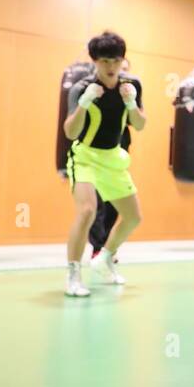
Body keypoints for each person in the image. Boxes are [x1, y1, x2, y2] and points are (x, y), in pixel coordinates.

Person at [62, 32, 145, 297]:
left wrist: (131, 102)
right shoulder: (81, 88)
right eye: (105, 61)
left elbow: (140, 124)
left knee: (133, 217)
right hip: (85, 156)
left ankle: (104, 258)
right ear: (95, 62)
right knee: (87, 211)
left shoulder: (132, 86)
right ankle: (73, 274)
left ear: (123, 60)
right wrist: (84, 102)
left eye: (116, 61)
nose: (111, 67)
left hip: (113, 157)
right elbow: (70, 132)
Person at [89, 57, 134, 259]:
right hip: (95, 152)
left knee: (115, 204)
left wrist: (130, 102)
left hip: (119, 149)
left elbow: (137, 121)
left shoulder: (128, 91)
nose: (117, 71)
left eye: (123, 69)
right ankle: (97, 246)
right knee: (96, 201)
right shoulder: (95, 90)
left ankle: (108, 246)